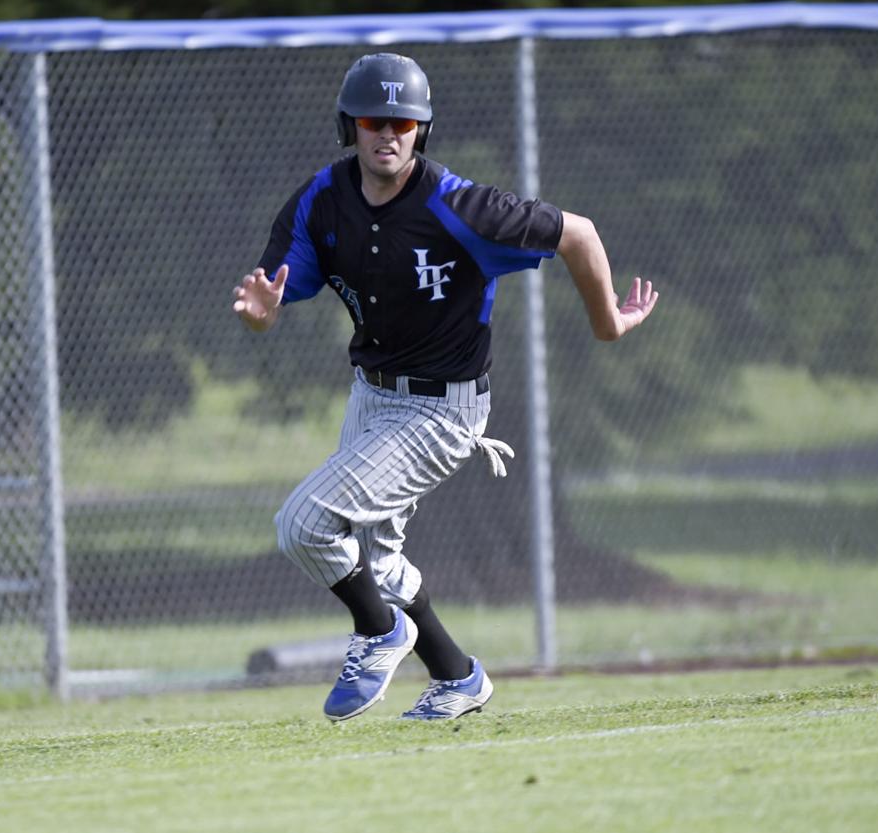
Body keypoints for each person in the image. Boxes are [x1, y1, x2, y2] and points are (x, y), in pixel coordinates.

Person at [232, 52, 658, 722]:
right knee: (378, 557)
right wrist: (262, 315)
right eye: (375, 119)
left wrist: (608, 324)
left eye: (405, 122)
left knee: (304, 524)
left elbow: (580, 233)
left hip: (442, 410)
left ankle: (379, 632)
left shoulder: (460, 207)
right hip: (372, 396)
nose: (389, 133)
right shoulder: (322, 198)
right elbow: (273, 293)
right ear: (350, 126)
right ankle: (457, 676)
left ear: (421, 131)